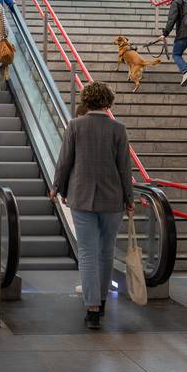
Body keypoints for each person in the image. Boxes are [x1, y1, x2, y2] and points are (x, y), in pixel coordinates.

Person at [51, 81, 133, 330]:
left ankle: (92, 309)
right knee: (106, 250)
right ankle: (103, 299)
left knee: (87, 251)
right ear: (108, 102)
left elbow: (65, 161)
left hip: (81, 195)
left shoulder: (75, 126)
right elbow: (124, 167)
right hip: (112, 199)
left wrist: (58, 189)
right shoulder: (119, 129)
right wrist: (129, 199)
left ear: (86, 100)